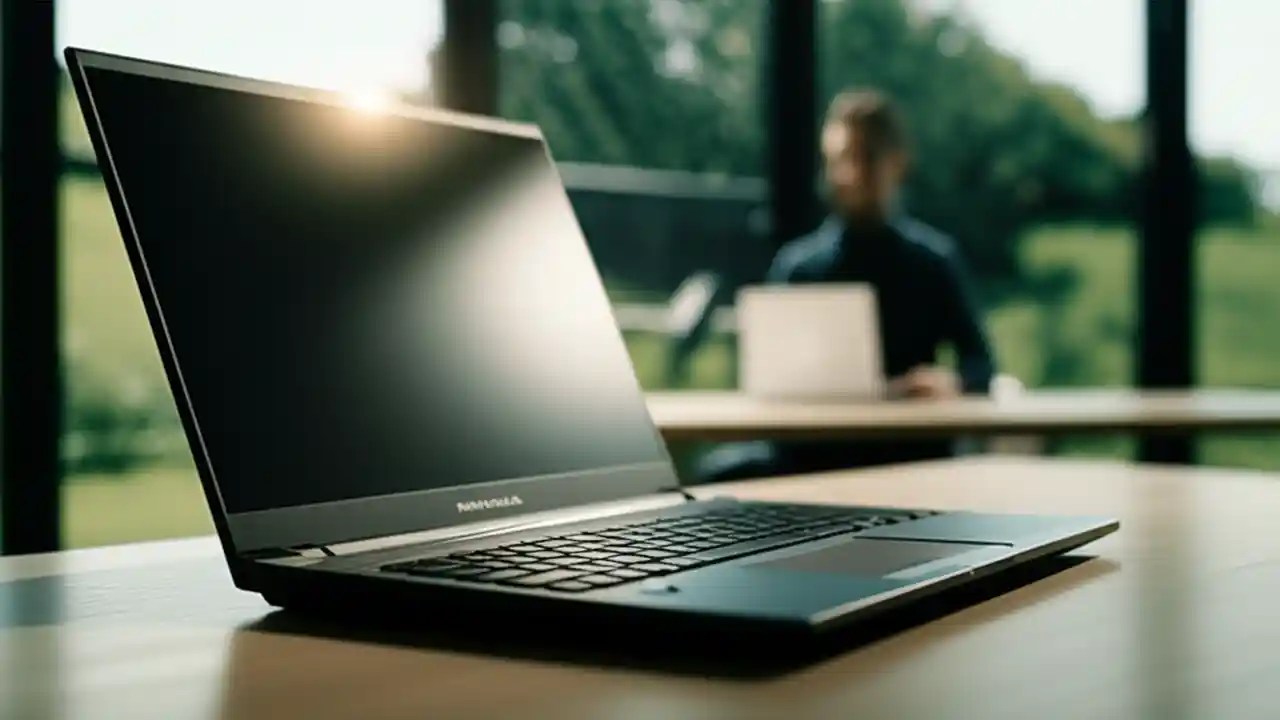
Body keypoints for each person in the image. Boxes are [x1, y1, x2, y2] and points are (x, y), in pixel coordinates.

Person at [699, 89, 996, 482]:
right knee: (717, 477)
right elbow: (765, 379)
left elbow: (981, 364)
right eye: (840, 160)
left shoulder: (934, 262)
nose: (851, 174)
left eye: (866, 158)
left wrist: (951, 383)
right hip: (811, 455)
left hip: (909, 456)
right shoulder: (799, 267)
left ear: (897, 162)